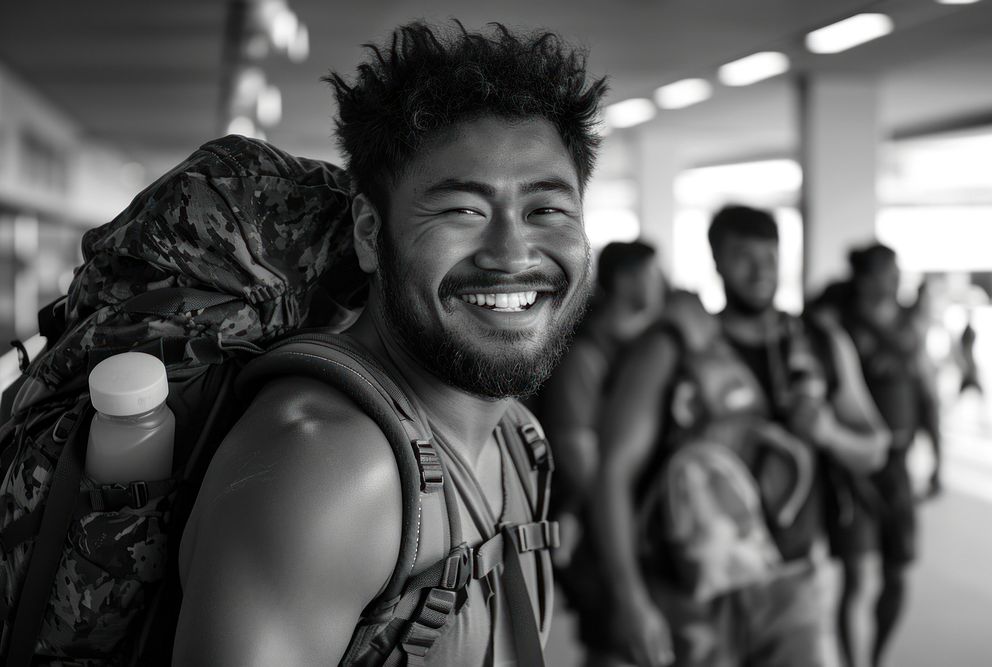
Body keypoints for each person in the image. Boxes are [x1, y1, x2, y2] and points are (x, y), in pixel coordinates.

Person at [172, 21, 607, 666]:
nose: (513, 253)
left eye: (548, 211)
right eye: (463, 209)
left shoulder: (518, 435)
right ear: (372, 235)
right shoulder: (329, 468)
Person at [593, 205, 889, 667]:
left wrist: (828, 432)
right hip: (693, 591)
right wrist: (630, 599)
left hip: (795, 588)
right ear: (716, 261)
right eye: (743, 256)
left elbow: (875, 448)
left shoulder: (820, 344)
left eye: (770, 255)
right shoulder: (675, 348)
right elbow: (612, 472)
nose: (760, 270)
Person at [534, 240, 665, 666]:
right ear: (627, 281)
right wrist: (622, 514)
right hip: (596, 531)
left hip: (630, 527)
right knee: (615, 643)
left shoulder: (640, 345)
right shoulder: (584, 355)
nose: (660, 284)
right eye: (652, 273)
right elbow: (578, 456)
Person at [837, 243, 939, 666]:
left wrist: (938, 458)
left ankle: (875, 656)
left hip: (898, 464)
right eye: (885, 272)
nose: (894, 280)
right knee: (858, 576)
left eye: (896, 272)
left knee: (897, 574)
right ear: (864, 278)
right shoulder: (839, 328)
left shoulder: (909, 330)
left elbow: (927, 396)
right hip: (853, 466)